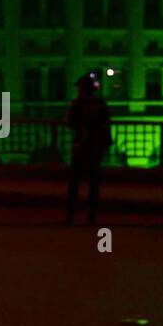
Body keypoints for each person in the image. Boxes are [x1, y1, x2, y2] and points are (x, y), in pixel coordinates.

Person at [65, 72, 112, 225]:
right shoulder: (100, 104)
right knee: (93, 182)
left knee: (74, 182)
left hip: (81, 145)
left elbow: (70, 123)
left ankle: (71, 214)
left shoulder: (77, 104)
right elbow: (106, 124)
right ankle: (92, 215)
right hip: (95, 146)